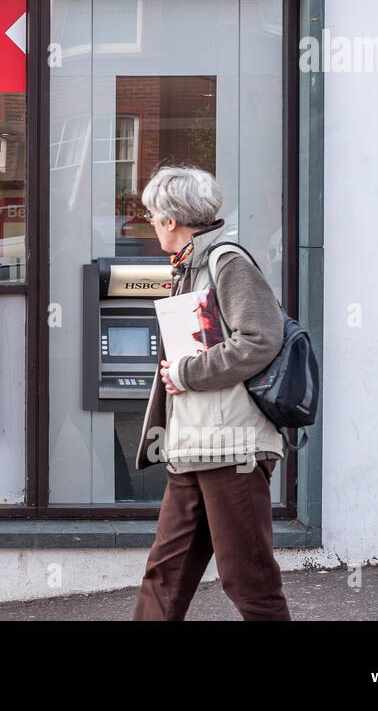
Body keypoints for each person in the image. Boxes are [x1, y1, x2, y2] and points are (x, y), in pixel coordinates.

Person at [131, 165, 290, 621]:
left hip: (232, 447)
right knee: (165, 576)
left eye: (152, 215)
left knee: (248, 578)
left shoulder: (227, 262)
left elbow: (260, 339)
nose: (151, 223)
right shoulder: (192, 266)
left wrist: (187, 373)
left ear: (170, 220)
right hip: (194, 447)